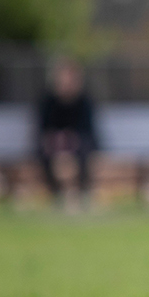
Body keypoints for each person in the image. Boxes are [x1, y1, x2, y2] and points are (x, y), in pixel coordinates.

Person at [37, 60, 98, 206]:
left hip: (79, 142)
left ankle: (83, 191)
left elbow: (88, 130)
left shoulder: (84, 101)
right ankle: (55, 193)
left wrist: (72, 139)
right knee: (43, 154)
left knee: (85, 153)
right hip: (54, 143)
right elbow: (43, 128)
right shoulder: (49, 101)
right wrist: (56, 139)